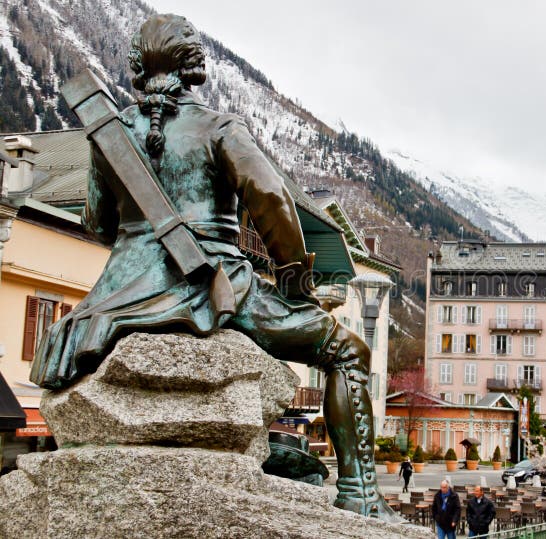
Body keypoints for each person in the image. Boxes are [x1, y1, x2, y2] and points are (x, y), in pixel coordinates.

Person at [28, 13, 398, 523]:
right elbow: (271, 200)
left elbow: (99, 224)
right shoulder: (219, 128)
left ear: (140, 68)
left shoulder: (107, 132)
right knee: (348, 351)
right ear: (194, 68)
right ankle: (359, 493)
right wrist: (294, 277)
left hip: (122, 291)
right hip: (213, 282)